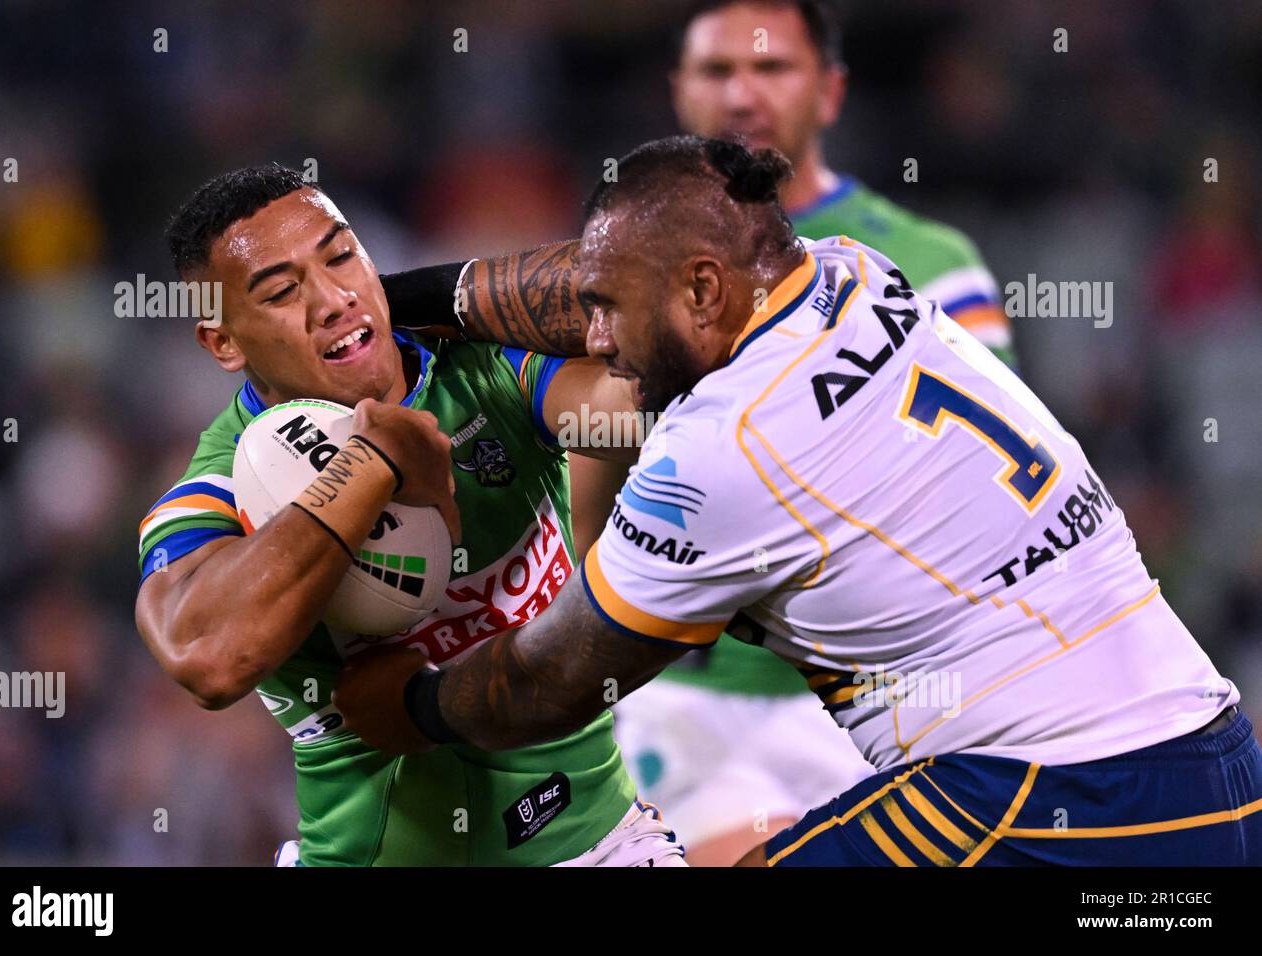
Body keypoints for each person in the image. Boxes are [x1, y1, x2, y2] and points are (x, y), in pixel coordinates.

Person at [334, 137, 1261, 866]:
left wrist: (410, 705)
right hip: (1216, 769)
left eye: (610, 310)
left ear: (702, 288)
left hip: (1069, 802)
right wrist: (383, 306)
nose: (597, 337)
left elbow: (548, 684)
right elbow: (596, 277)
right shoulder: (848, 274)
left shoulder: (720, 454)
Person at [134, 164, 685, 866]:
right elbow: (206, 657)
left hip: (605, 844)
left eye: (341, 257)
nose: (332, 300)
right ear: (223, 343)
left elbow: (662, 346)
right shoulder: (221, 480)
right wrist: (372, 464)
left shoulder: (487, 369)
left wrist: (434, 295)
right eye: (280, 292)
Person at [572, 0, 1017, 865]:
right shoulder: (625, 255)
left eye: (772, 68)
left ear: (832, 90)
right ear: (677, 90)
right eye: (715, 70)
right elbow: (592, 440)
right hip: (680, 693)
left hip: (873, 700)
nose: (742, 93)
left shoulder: (931, 262)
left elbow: (973, 489)